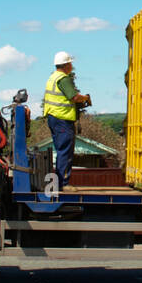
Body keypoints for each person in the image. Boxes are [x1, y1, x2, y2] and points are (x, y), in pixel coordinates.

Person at [43, 51, 91, 188]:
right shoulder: (63, 79)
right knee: (65, 151)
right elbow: (74, 97)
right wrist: (85, 98)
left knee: (61, 151)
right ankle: (63, 183)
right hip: (62, 119)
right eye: (70, 63)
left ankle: (59, 183)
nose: (71, 66)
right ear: (66, 65)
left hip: (54, 118)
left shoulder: (52, 77)